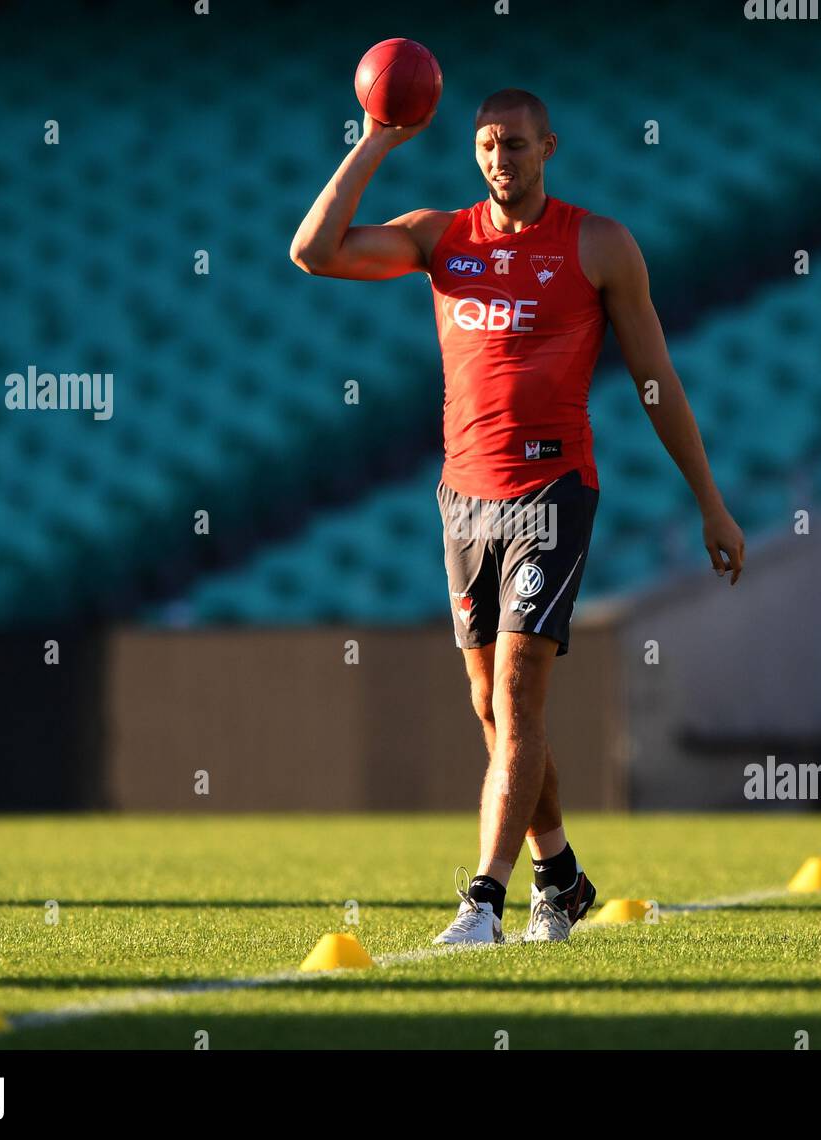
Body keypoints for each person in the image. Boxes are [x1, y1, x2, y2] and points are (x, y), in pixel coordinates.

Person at [290, 88, 745, 944]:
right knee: (491, 711)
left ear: (551, 149)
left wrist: (710, 504)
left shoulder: (599, 245)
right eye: (490, 145)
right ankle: (561, 876)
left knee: (519, 688)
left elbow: (656, 381)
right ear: (475, 153)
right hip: (464, 495)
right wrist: (378, 140)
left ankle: (481, 903)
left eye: (519, 145)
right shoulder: (439, 236)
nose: (504, 159)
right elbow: (313, 253)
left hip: (553, 490)